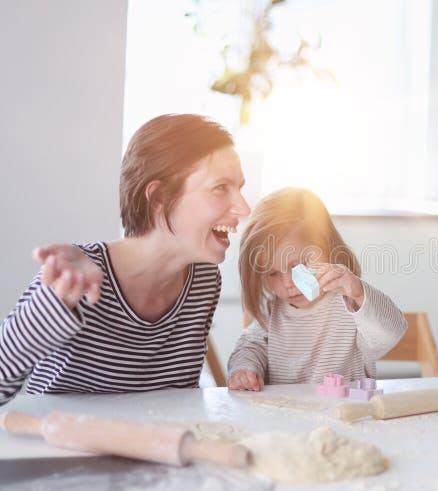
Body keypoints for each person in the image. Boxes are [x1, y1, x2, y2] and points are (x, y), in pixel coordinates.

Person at [0, 114, 250, 406]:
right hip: (59, 448)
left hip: (152, 449)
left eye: (240, 188)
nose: (243, 208)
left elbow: (176, 403)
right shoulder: (78, 276)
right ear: (158, 197)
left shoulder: (203, 280)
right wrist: (55, 303)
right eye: (220, 188)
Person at [226, 188, 407, 390]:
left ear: (328, 248)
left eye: (298, 266)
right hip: (286, 416)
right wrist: (245, 369)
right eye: (273, 273)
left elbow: (392, 332)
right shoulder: (271, 312)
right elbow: (249, 347)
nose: (288, 283)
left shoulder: (351, 306)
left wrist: (358, 292)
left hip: (346, 415)